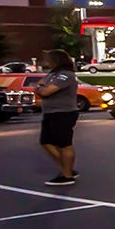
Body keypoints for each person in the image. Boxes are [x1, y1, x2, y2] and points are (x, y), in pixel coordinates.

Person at [33, 49, 79, 185]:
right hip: (50, 113)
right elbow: (39, 86)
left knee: (64, 144)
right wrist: (39, 88)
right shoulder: (52, 75)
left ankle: (67, 176)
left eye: (49, 59)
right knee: (45, 141)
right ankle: (67, 168)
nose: (46, 62)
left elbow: (46, 91)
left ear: (57, 60)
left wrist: (39, 89)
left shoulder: (65, 75)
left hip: (63, 113)